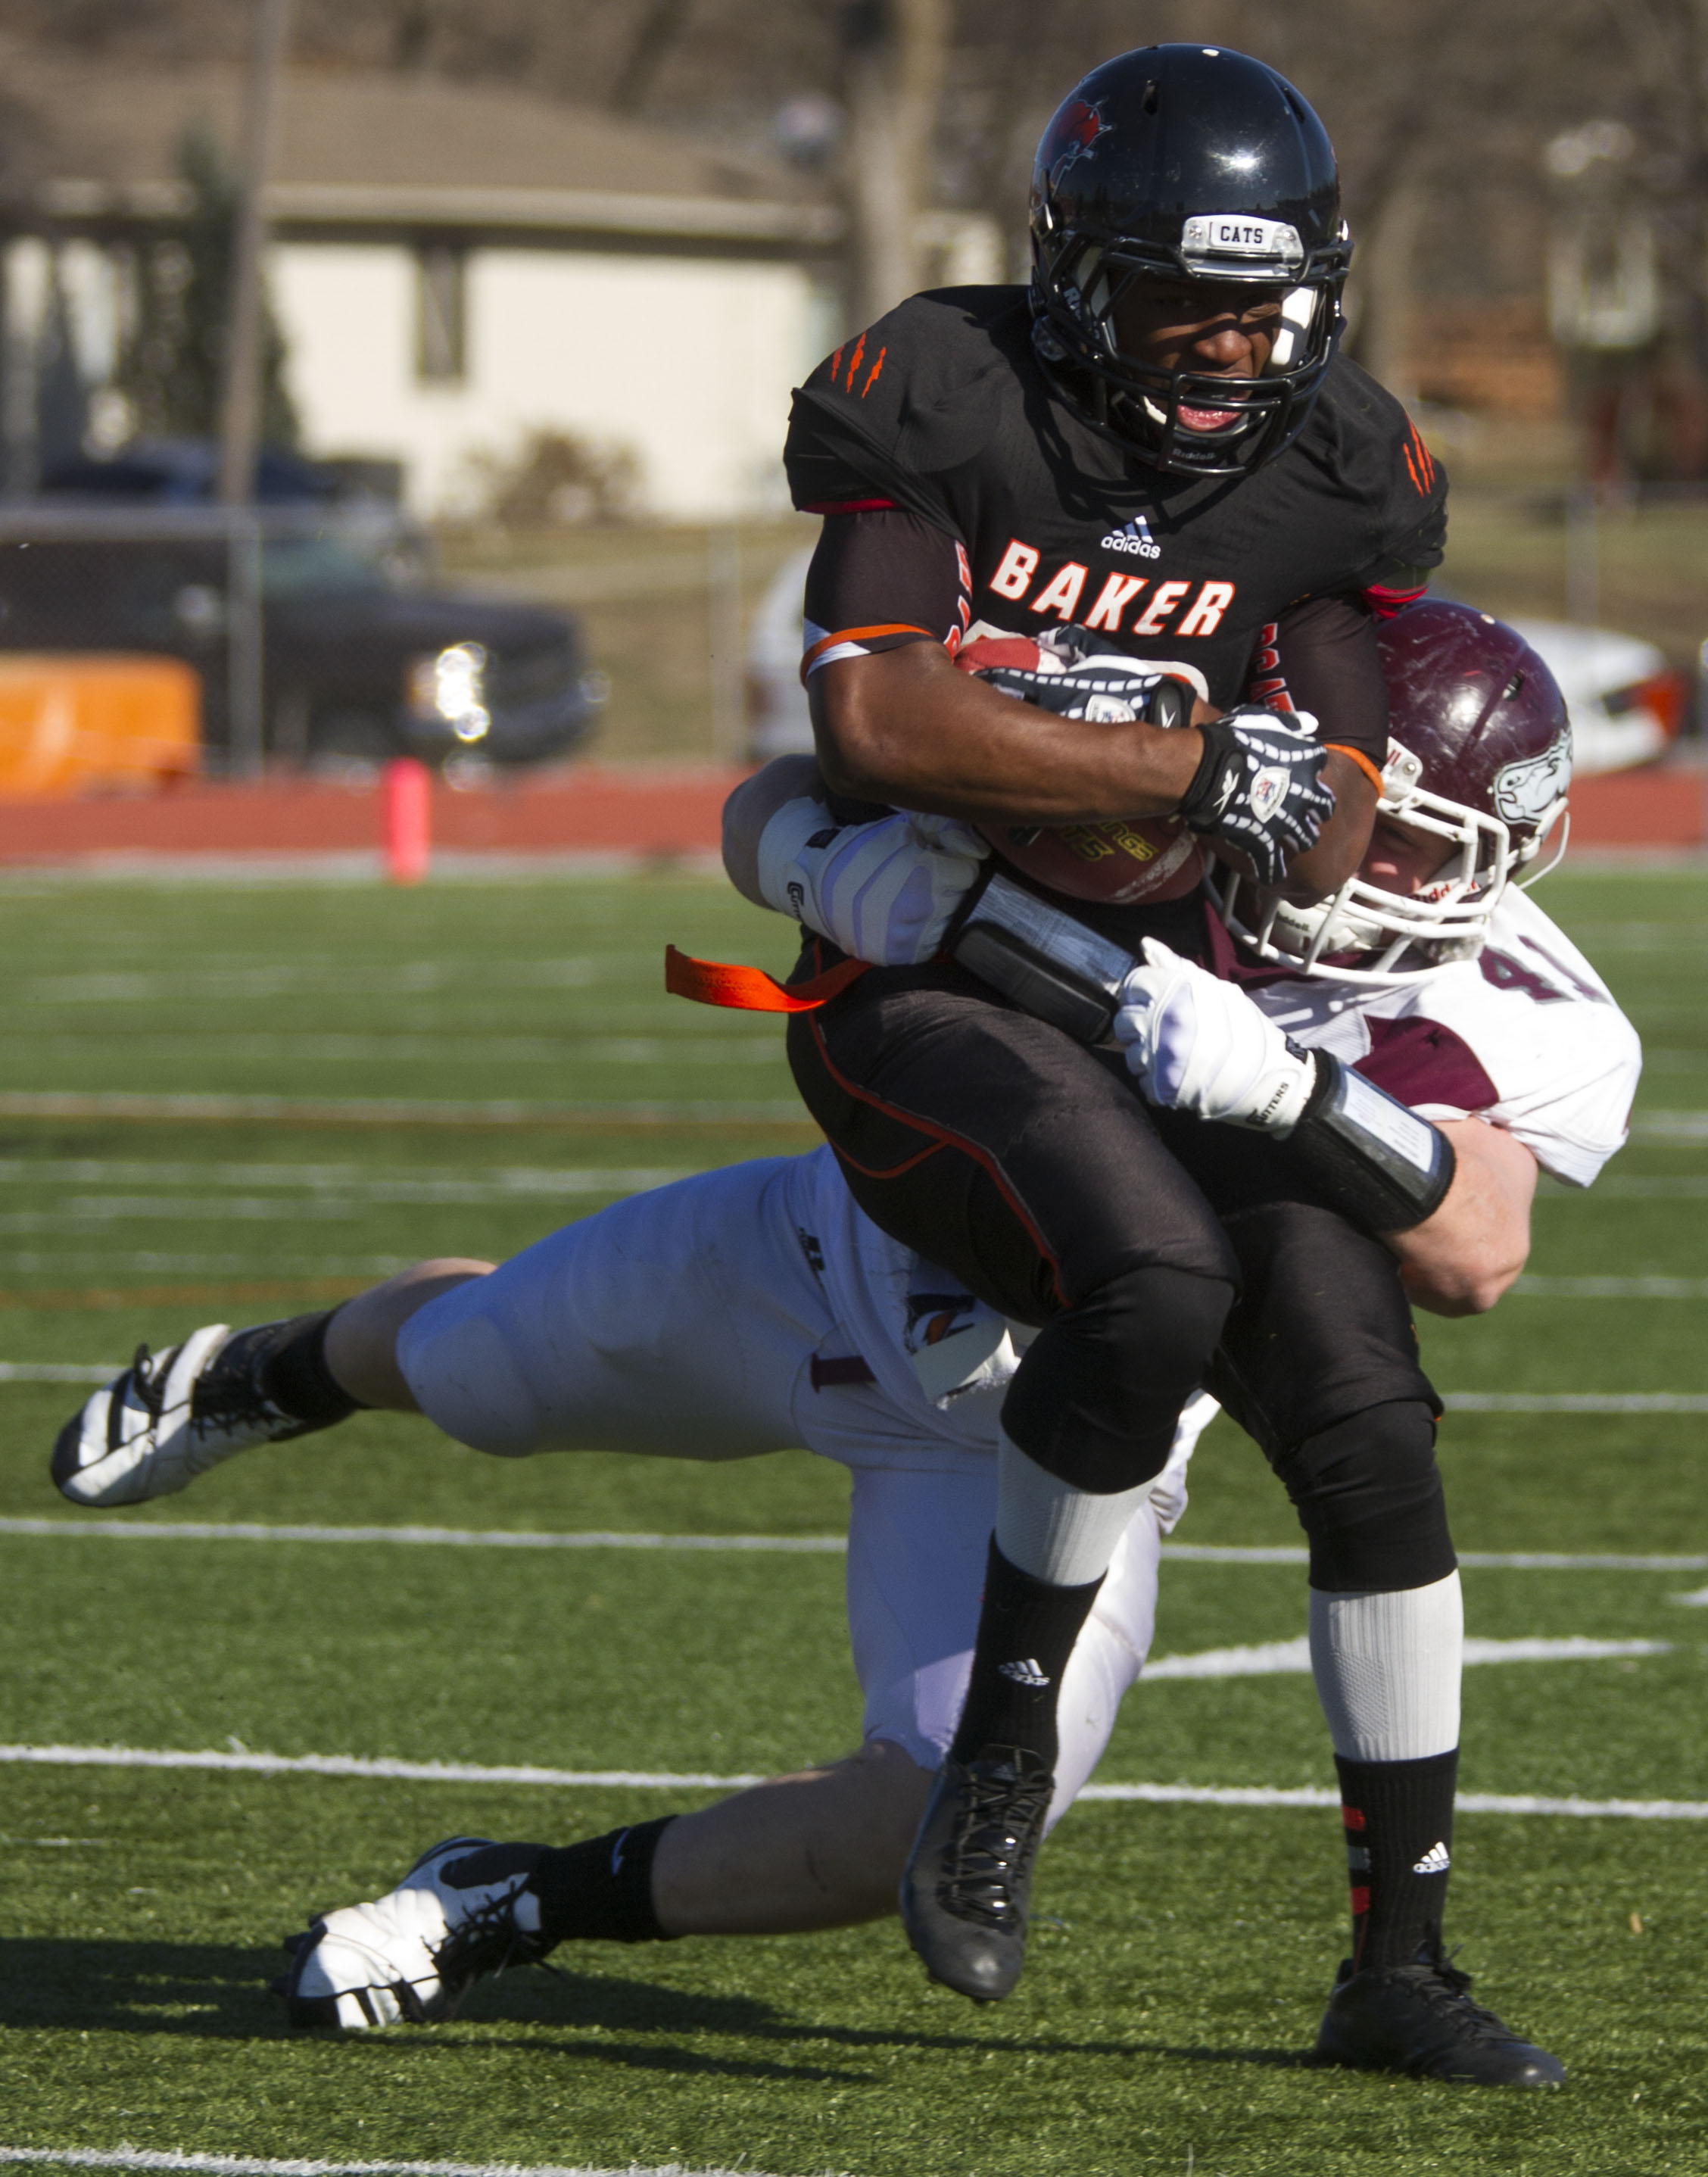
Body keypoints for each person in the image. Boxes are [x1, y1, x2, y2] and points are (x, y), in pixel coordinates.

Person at [51, 609, 1631, 2084]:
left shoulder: (1513, 1000)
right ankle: (272, 1368)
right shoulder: (1146, 797)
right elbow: (783, 798)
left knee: (929, 1820)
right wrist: (821, 864)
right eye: (1386, 824)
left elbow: (1476, 1243)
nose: (1410, 881)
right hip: (818, 1266)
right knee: (473, 1368)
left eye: (1449, 851)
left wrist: (1296, 1091)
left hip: (1051, 1453)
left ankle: (500, 1904)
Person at [718, 40, 1452, 2011]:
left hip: (1159, 996)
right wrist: (1183, 757)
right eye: (1177, 301)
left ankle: (1402, 1963)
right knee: (1149, 1276)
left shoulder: (1330, 470)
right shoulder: (951, 394)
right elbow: (871, 719)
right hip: (930, 978)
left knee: (1364, 1392)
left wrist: (1270, 794)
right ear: (1071, 277)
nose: (1221, 351)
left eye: (1258, 306)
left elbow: (1325, 839)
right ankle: (1000, 1754)